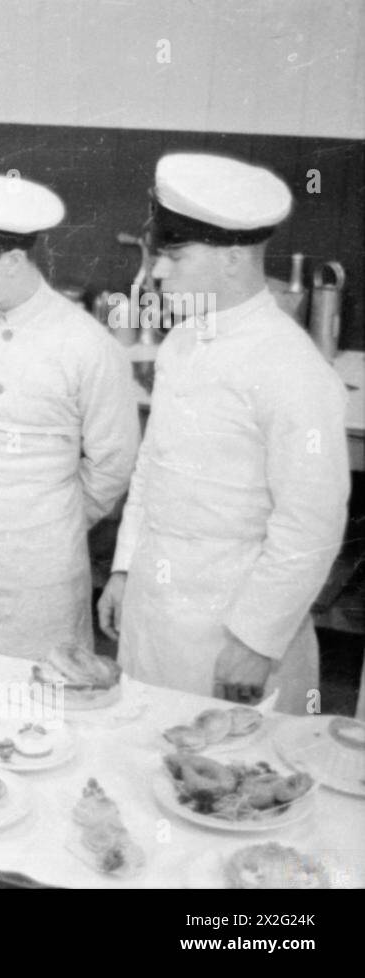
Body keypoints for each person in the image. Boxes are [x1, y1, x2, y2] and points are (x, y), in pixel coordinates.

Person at [98, 153, 349, 713]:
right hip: (155, 610)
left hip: (230, 626)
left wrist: (257, 641)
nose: (158, 271)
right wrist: (124, 567)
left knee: (223, 780)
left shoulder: (291, 368)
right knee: (144, 758)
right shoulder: (185, 340)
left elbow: (310, 523)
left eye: (174, 255)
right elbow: (151, 468)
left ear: (234, 258)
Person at [0, 166, 140, 659]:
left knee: (40, 686)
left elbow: (113, 461)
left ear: (13, 259)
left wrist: (51, 516)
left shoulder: (86, 345)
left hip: (41, 556)